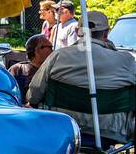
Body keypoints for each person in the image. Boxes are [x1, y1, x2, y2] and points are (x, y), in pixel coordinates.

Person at [29, 11, 136, 144]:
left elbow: (33, 95)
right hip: (112, 131)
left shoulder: (58, 56)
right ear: (106, 33)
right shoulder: (127, 61)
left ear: (77, 31)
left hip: (62, 127)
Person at [9, 33, 53, 104]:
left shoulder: (53, 71)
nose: (53, 51)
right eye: (50, 47)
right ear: (37, 50)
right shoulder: (18, 69)